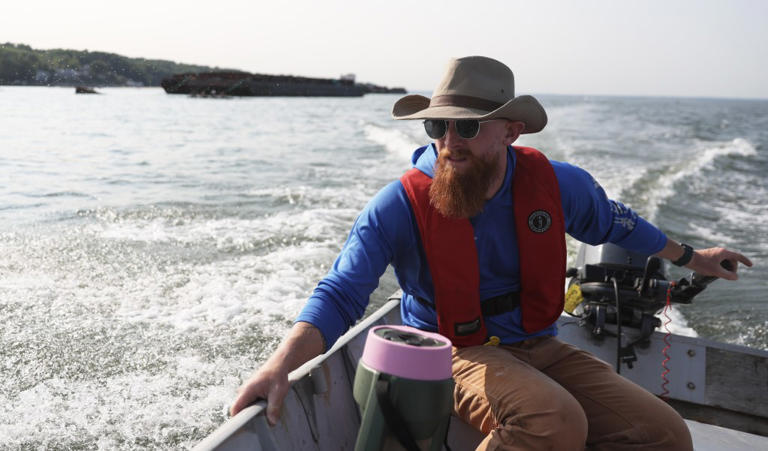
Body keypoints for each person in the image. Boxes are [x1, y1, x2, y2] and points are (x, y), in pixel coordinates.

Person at [229, 56, 753, 450]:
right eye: (438, 126)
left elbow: (621, 225)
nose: (450, 140)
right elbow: (341, 292)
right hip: (450, 350)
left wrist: (695, 257)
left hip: (540, 344)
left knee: (665, 434)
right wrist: (280, 365)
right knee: (554, 419)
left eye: (468, 126)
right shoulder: (400, 204)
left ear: (510, 130)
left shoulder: (558, 186)